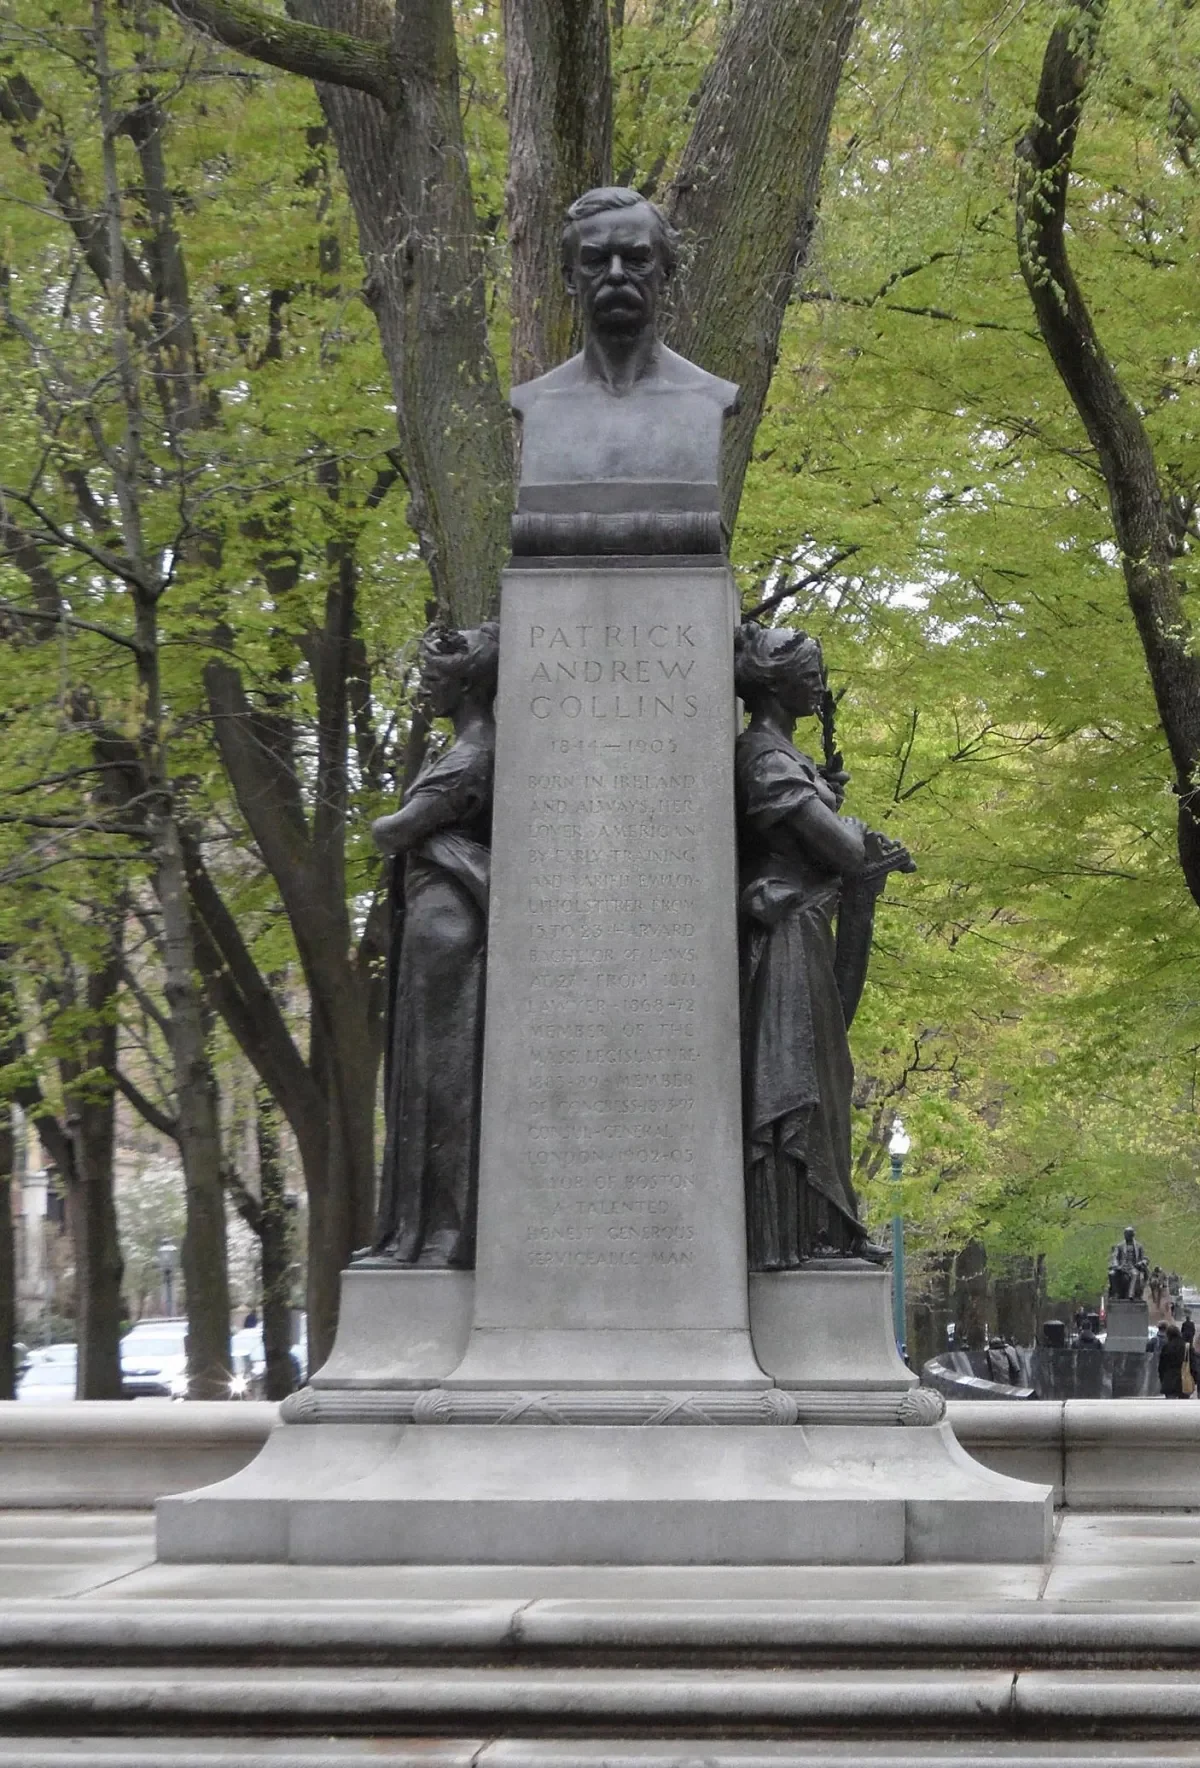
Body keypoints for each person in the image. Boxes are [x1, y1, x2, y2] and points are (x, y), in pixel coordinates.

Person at [734, 622, 913, 1268]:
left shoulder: (785, 759)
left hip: (803, 930)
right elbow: (840, 848)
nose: (818, 681)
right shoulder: (762, 758)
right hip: (782, 939)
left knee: (827, 1077)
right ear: (776, 683)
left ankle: (824, 1224)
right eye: (808, 671)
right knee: (799, 1082)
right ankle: (799, 1230)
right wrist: (849, 826)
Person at [356, 621, 499, 1267]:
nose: (424, 690)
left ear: (467, 683)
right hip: (431, 923)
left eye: (435, 680)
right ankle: (421, 1230)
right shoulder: (460, 751)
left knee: (443, 1078)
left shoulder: (473, 754)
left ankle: (445, 1231)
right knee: (428, 1075)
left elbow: (394, 830)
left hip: (446, 928)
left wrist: (411, 833)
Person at [1158, 1322, 1189, 1398]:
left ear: (1168, 1335)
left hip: (1169, 1380)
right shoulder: (1186, 1346)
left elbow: (1161, 1366)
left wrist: (1162, 1379)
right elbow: (1193, 1363)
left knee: (1170, 1405)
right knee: (1185, 1406)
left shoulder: (1166, 1347)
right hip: (1184, 1380)